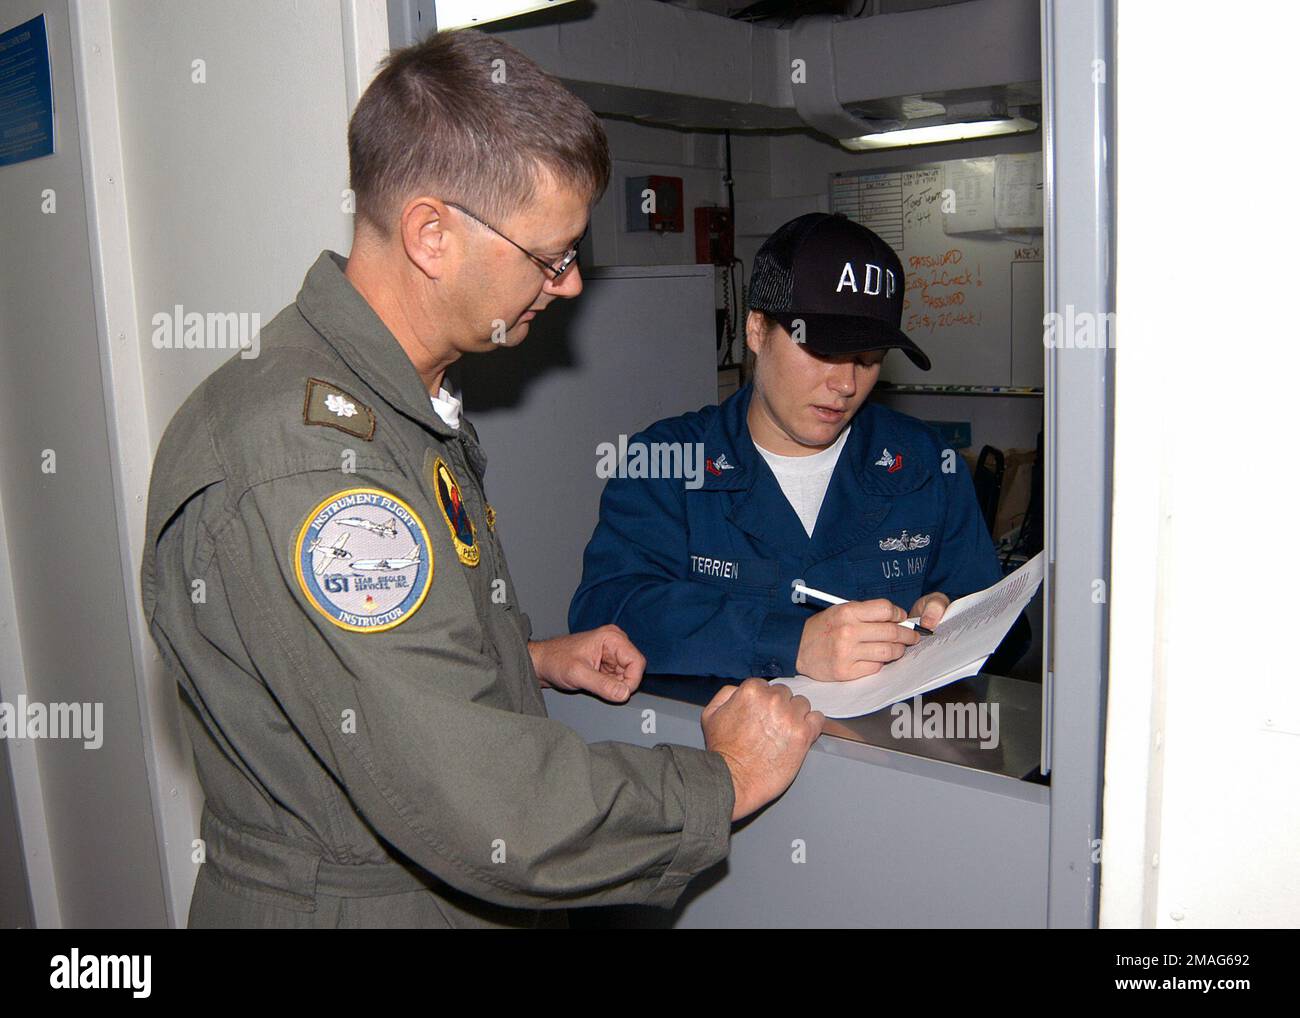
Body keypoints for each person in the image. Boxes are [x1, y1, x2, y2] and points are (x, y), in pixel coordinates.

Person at [141, 30, 822, 929]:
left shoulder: (390, 401)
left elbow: (350, 677)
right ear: (431, 234)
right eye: (550, 257)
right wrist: (722, 778)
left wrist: (526, 661)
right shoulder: (309, 464)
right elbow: (489, 808)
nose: (571, 286)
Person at [568, 213, 1004, 692]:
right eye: (821, 351)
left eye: (868, 359)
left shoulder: (925, 465)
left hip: (886, 759)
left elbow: (1003, 621)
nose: (845, 385)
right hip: (710, 758)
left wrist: (950, 618)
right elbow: (608, 609)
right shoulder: (666, 463)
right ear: (757, 330)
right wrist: (788, 642)